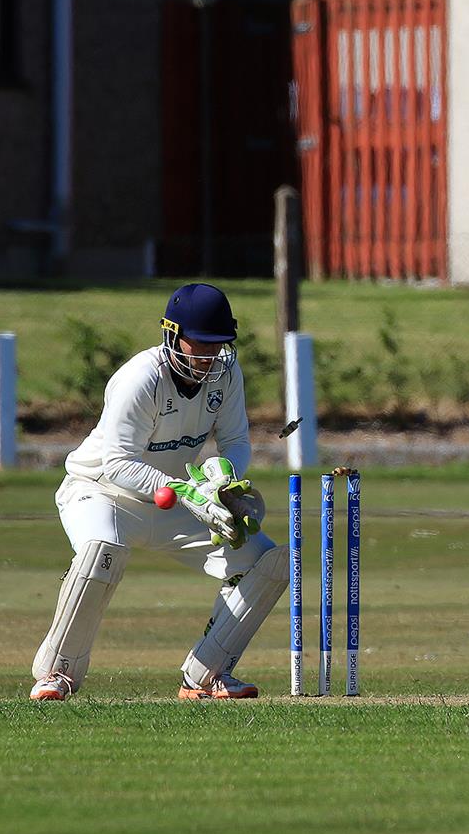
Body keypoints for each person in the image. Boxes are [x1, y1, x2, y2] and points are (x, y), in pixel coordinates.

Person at [28, 282, 284, 700]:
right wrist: (186, 490)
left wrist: (220, 483)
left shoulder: (227, 372)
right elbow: (118, 463)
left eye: (217, 346)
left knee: (269, 561)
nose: (208, 358)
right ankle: (56, 674)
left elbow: (235, 441)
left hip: (177, 502)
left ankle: (208, 672)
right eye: (199, 345)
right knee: (102, 550)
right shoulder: (139, 379)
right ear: (172, 334)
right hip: (103, 492)